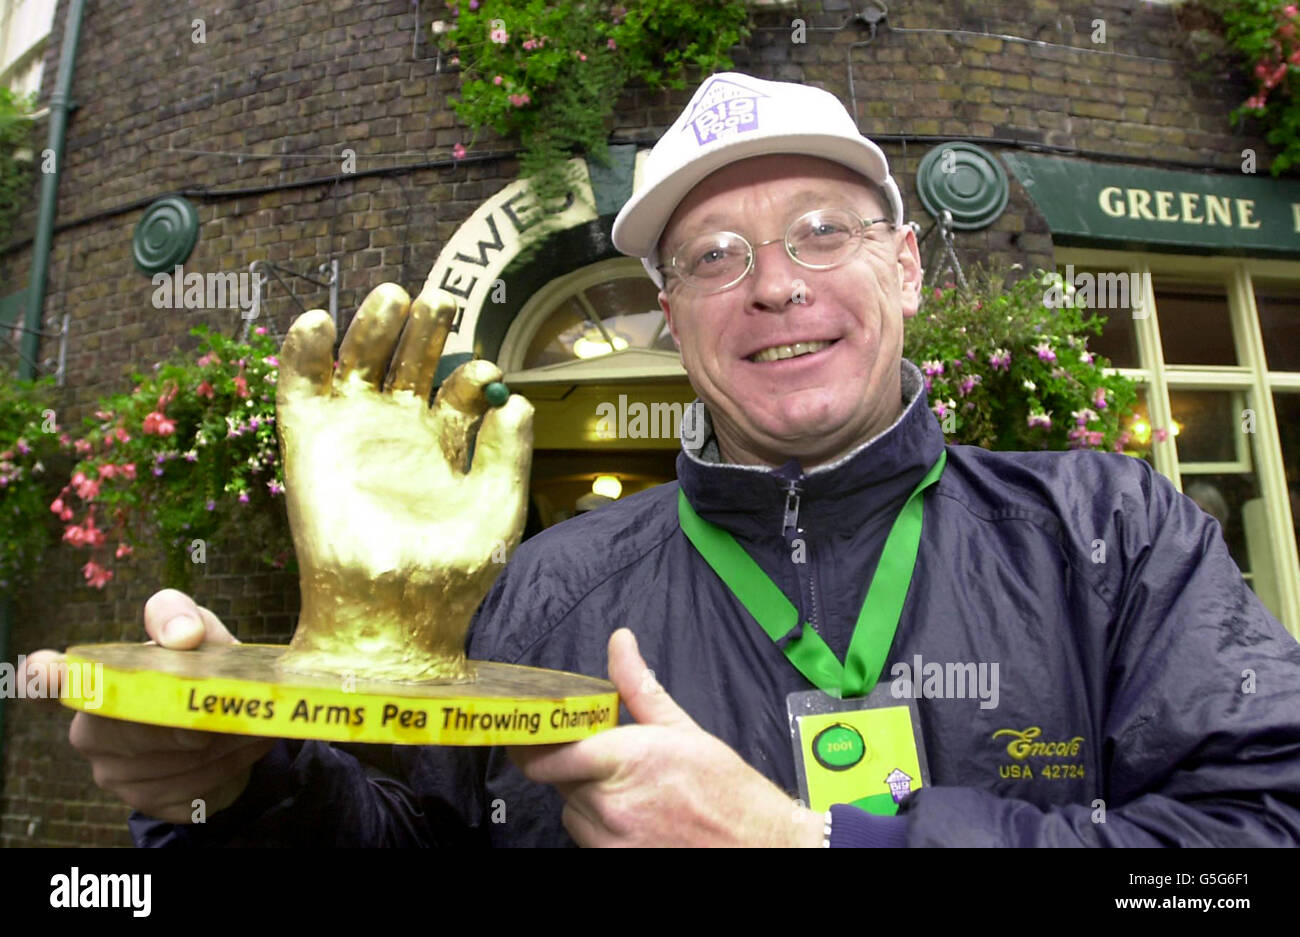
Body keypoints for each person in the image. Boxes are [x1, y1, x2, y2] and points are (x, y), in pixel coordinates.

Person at [26, 72, 1300, 847]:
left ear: (905, 266)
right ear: (671, 317)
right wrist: (242, 789)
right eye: (713, 257)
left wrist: (816, 845)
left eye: (820, 231)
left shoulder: (1108, 530)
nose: (774, 287)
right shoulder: (551, 587)